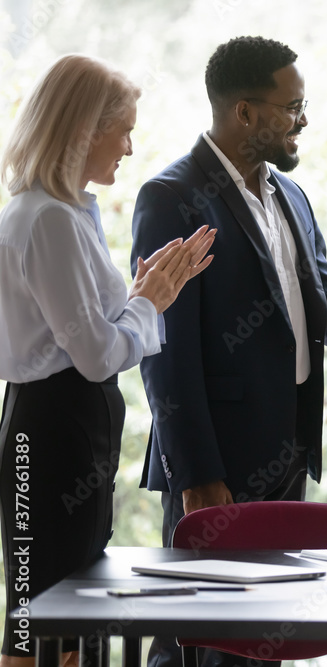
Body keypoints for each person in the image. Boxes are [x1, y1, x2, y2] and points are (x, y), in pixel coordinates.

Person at [130, 36, 327, 667]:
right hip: (216, 467)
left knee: (264, 642)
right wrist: (198, 475)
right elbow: (164, 352)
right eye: (293, 107)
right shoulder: (171, 196)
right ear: (244, 112)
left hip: (286, 456)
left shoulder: (292, 196)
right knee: (195, 644)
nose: (304, 120)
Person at [0, 55, 213, 667]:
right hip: (54, 433)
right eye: (123, 131)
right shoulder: (50, 219)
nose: (129, 146)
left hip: (63, 429)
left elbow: (90, 328)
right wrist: (149, 303)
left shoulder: (63, 211)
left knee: (59, 615)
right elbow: (96, 355)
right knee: (45, 619)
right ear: (84, 130)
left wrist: (141, 297)